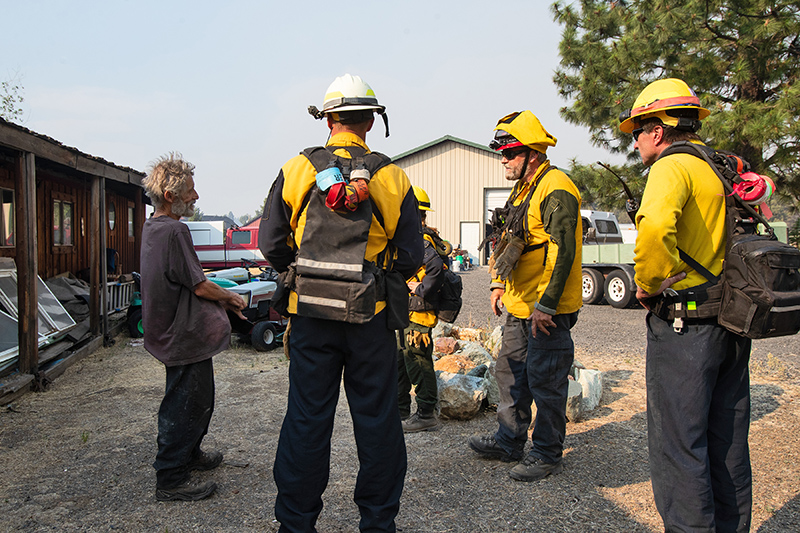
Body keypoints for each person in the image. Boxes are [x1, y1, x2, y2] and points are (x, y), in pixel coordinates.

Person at [258, 74, 423, 532]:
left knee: (307, 418)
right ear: (370, 121)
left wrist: (305, 270)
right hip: (370, 318)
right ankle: (378, 523)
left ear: (328, 119)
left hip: (310, 316)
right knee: (378, 421)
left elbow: (271, 244)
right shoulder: (391, 176)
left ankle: (296, 524)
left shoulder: (297, 169)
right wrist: (375, 277)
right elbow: (411, 255)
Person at [620, 78, 752, 532]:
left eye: (637, 132)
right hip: (732, 320)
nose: (635, 142)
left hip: (686, 327)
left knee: (680, 445)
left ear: (657, 130)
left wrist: (647, 284)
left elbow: (656, 228)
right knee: (727, 443)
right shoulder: (719, 166)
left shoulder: (671, 166)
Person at [467, 111, 582, 482]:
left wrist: (547, 305)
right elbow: (508, 237)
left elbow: (563, 251)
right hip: (519, 304)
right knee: (511, 373)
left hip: (546, 309)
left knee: (546, 381)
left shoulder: (555, 186)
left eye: (510, 152)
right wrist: (497, 283)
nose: (503, 159)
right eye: (501, 153)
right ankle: (509, 441)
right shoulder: (523, 188)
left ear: (533, 153)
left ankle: (546, 453)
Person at [140, 153, 247, 502]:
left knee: (198, 397)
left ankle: (189, 454)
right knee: (185, 402)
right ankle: (171, 477)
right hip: (182, 333)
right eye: (190, 191)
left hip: (172, 329)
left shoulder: (153, 227)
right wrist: (231, 298)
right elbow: (199, 285)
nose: (196, 196)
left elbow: (182, 279)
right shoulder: (175, 230)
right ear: (170, 196)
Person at [397, 186, 448, 432]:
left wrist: (420, 288)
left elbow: (436, 268)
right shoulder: (414, 236)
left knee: (418, 361)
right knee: (402, 360)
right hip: (407, 312)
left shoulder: (422, 240)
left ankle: (426, 413)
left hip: (419, 314)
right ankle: (400, 410)